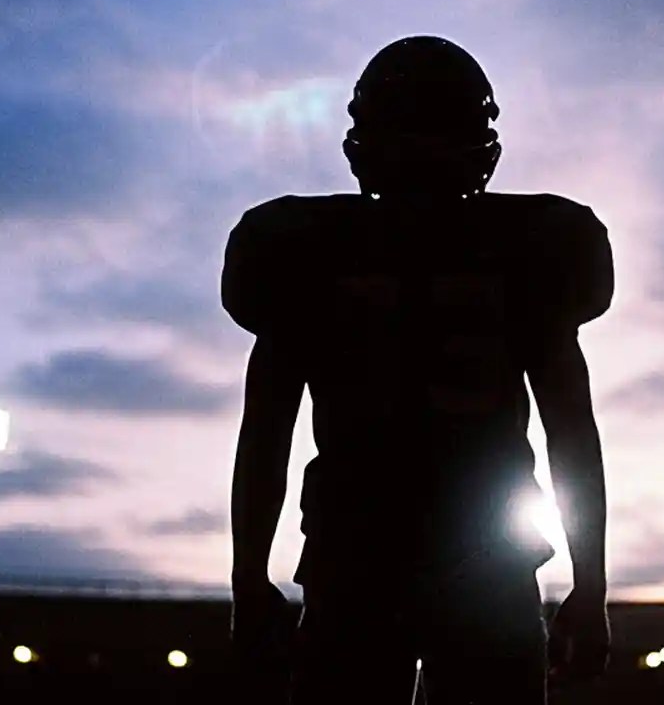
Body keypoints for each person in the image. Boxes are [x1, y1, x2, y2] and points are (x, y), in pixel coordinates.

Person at [222, 35, 613, 704]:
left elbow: (266, 435)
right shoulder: (530, 249)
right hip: (485, 555)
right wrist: (591, 583)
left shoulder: (301, 251)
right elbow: (570, 431)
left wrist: (248, 577)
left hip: (356, 555)